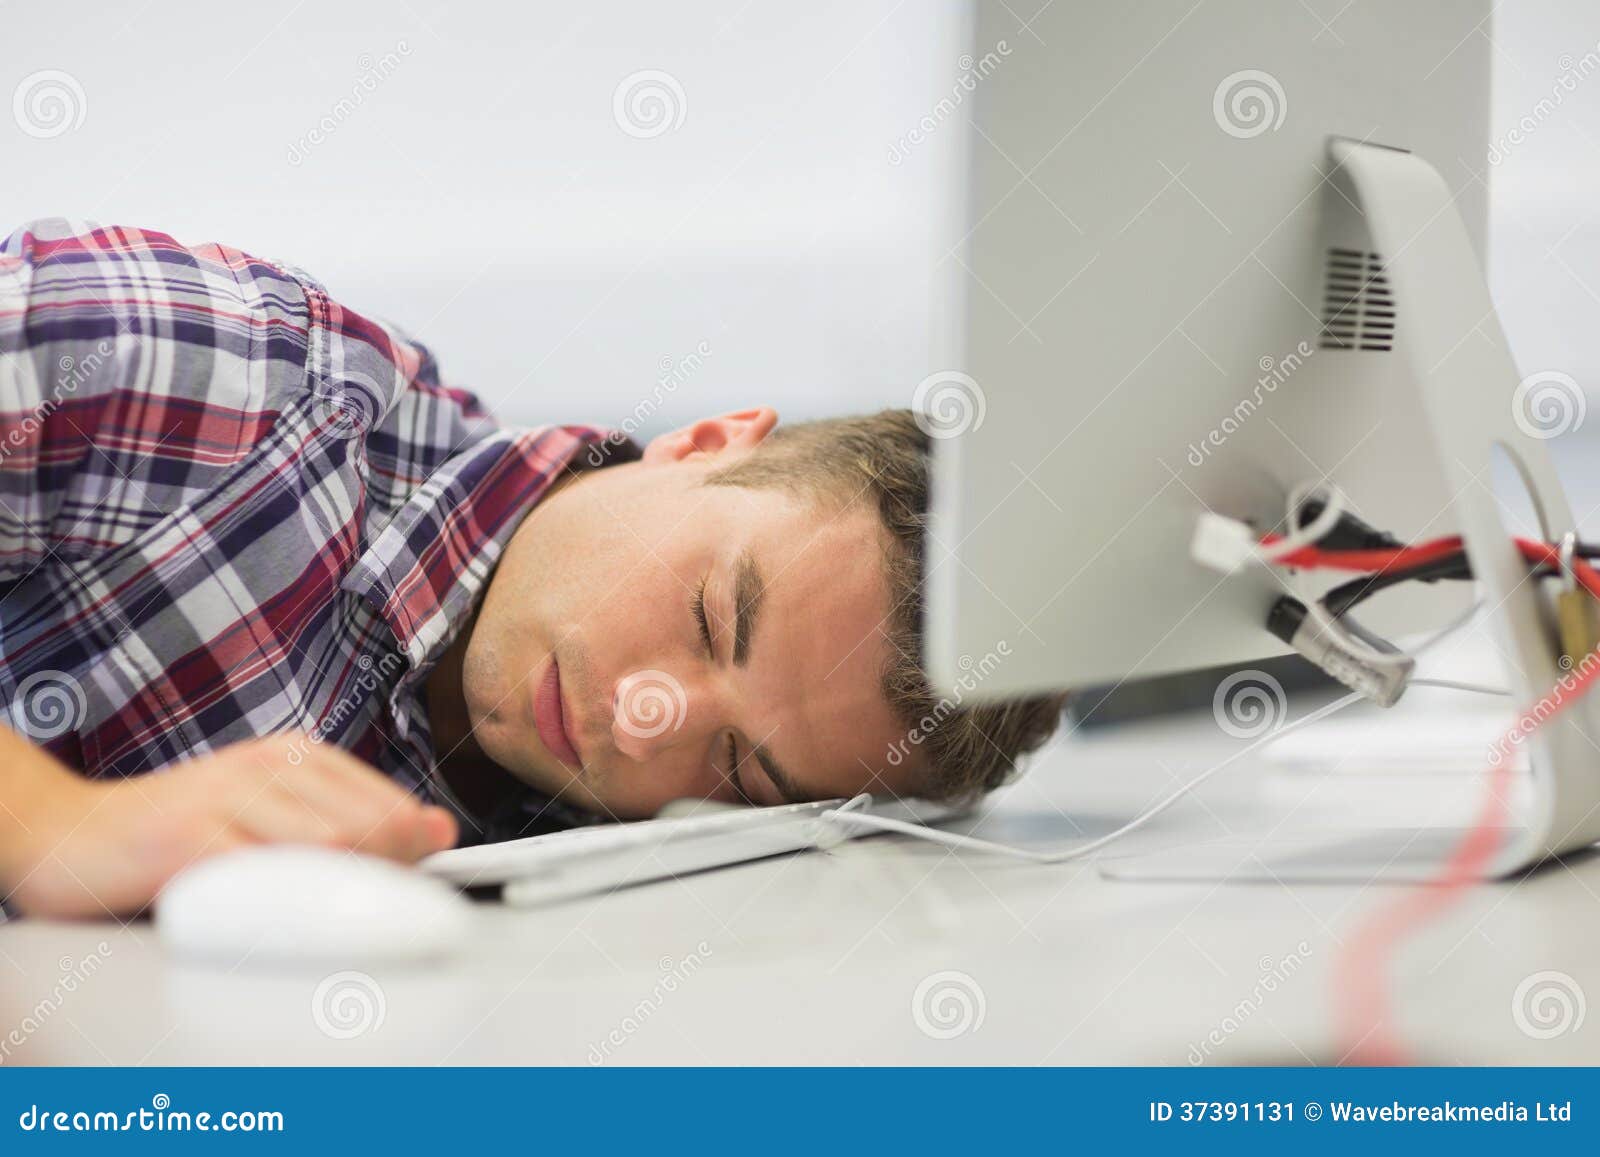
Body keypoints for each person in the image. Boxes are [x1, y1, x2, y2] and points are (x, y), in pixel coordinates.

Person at [0, 220, 1065, 918]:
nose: (646, 723)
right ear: (705, 439)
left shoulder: (597, 868)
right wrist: (52, 824)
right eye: (706, 617)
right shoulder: (227, 372)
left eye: (736, 766)